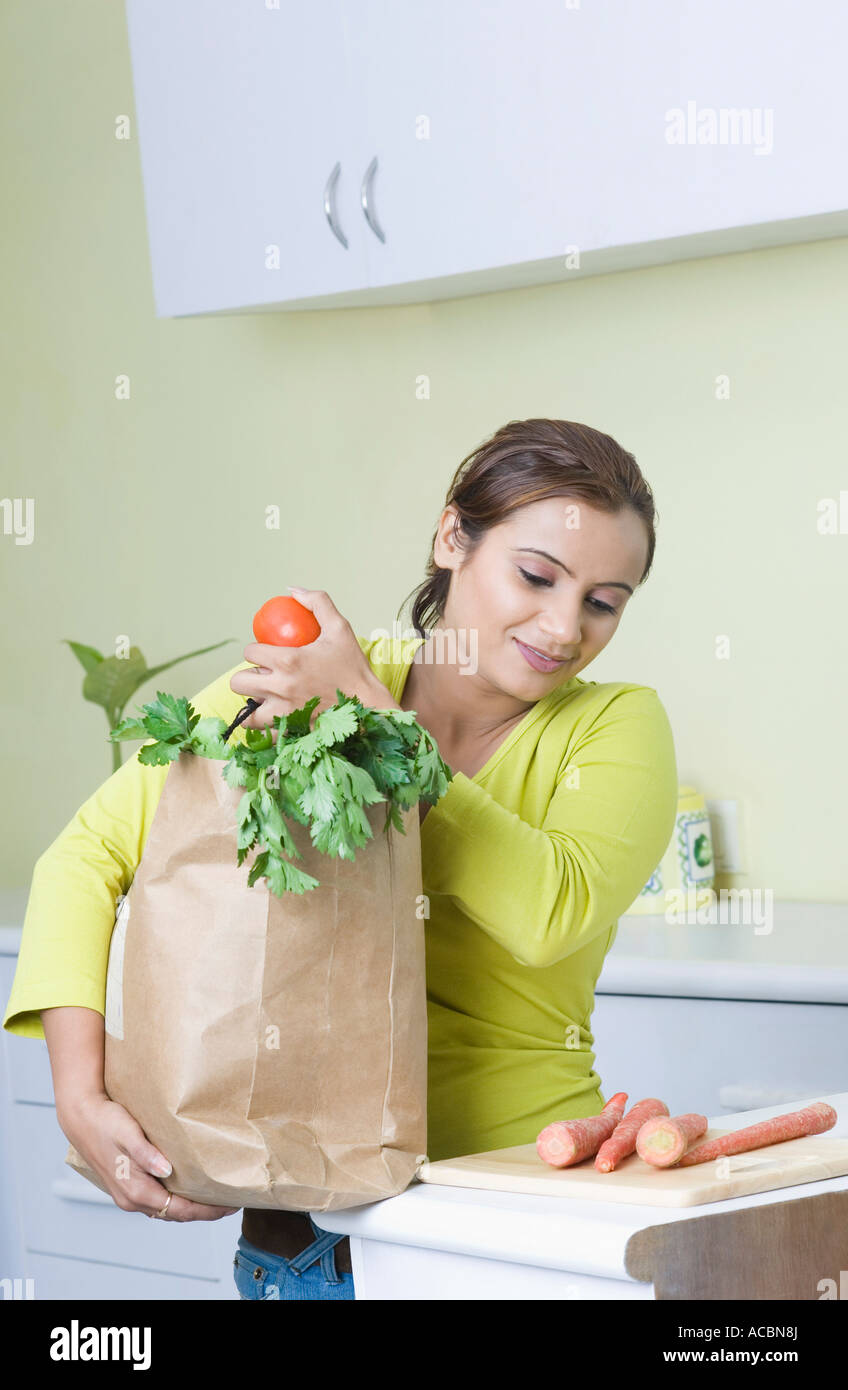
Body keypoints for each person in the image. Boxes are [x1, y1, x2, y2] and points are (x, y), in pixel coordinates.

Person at [3, 418, 678, 1301]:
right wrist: (80, 1097)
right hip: (300, 1239)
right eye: (536, 575)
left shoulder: (613, 724)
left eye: (603, 601)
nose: (562, 625)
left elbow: (549, 912)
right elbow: (85, 857)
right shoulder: (296, 683)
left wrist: (366, 707)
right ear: (451, 539)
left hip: (503, 1232)